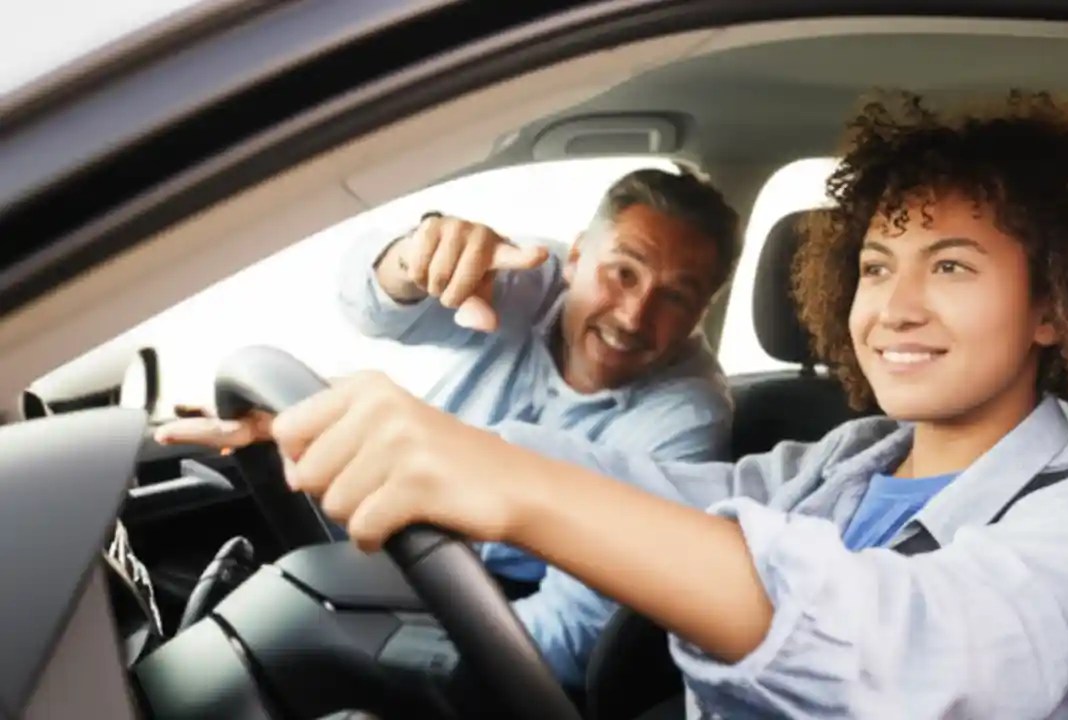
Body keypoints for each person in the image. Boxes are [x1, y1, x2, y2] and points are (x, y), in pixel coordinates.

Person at [179, 91, 1068, 718]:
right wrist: (372, 434)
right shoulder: (844, 460)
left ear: (1053, 311)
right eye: (876, 264)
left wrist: (517, 490)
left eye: (948, 266)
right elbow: (655, 487)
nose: (891, 307)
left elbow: (923, 661)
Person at [155, 167, 741, 685]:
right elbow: (365, 303)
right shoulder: (527, 275)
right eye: (624, 273)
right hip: (376, 542)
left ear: (700, 315)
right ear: (578, 258)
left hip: (493, 603)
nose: (634, 315)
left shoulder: (688, 417)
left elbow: (571, 633)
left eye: (675, 298)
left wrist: (390, 652)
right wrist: (412, 259)